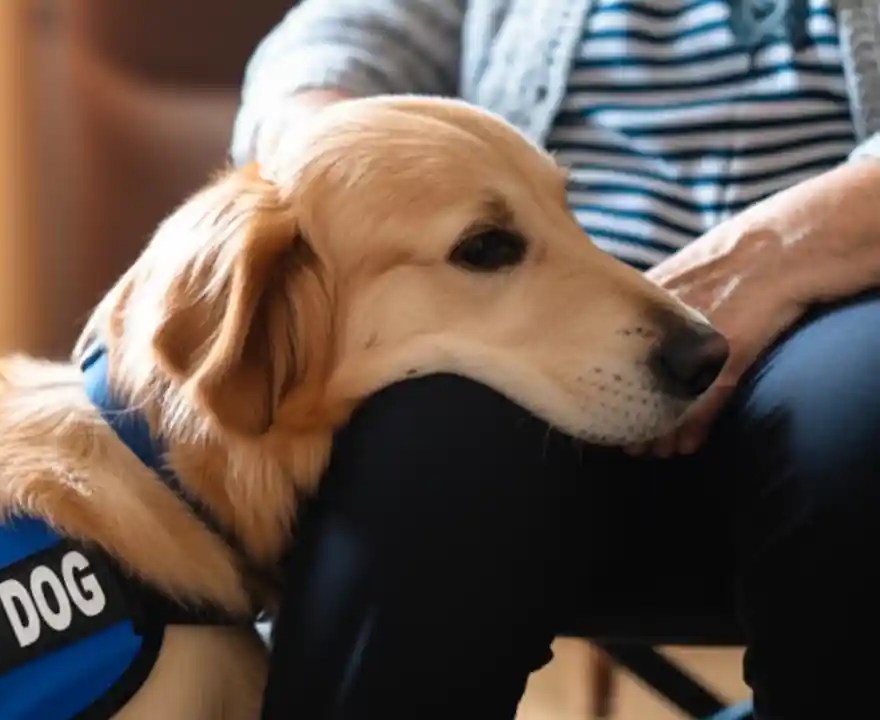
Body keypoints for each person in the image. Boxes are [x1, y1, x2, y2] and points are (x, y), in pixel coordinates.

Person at [229, 1, 880, 718]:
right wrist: (326, 162)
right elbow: (343, 35)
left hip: (844, 304)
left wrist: (782, 250)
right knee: (428, 443)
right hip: (516, 325)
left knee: (863, 413)